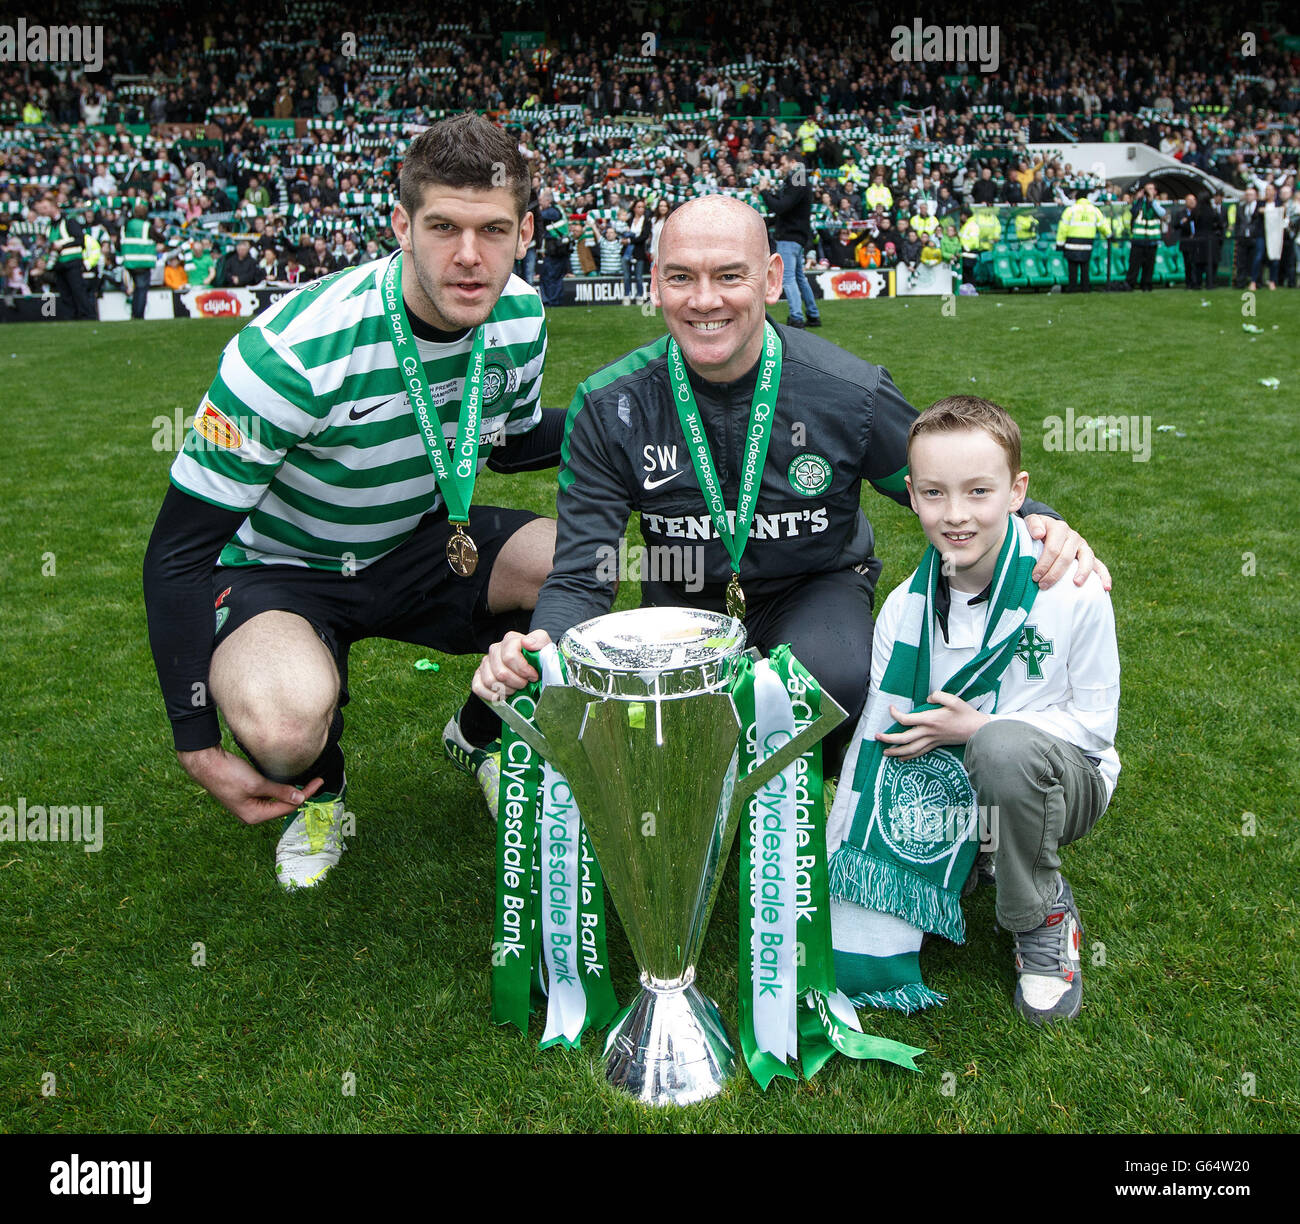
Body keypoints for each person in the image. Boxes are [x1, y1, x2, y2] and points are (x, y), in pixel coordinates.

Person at [472, 197, 1105, 772]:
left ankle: (811, 788)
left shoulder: (848, 392)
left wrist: (1037, 519)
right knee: (655, 736)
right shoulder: (611, 404)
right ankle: (479, 737)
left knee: (829, 680)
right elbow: (583, 570)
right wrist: (542, 643)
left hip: (816, 585)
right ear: (656, 283)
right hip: (685, 601)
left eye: (729, 276)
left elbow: (943, 482)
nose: (704, 300)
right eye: (681, 277)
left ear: (772, 279)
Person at [142, 113, 562, 892]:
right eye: (442, 227)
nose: (469, 257)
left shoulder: (521, 313)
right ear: (401, 224)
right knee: (281, 722)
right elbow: (177, 552)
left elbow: (508, 440)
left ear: (525, 230)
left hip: (421, 543)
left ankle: (480, 734)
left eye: (492, 230)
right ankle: (320, 793)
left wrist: (641, 428)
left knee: (584, 563)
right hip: (284, 568)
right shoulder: (290, 351)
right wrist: (196, 743)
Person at [827, 396, 1119, 1025]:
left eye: (978, 492)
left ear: (1018, 493)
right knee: (944, 747)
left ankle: (1040, 917)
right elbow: (880, 740)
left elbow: (1095, 730)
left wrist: (978, 728)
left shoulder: (1074, 589)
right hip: (949, 779)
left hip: (1066, 780)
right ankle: (970, 855)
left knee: (1002, 750)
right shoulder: (904, 608)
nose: (955, 516)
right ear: (910, 494)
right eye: (934, 494)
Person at [761, 150, 821, 328]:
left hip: (789, 236)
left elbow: (781, 207)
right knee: (799, 277)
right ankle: (813, 314)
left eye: (782, 163)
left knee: (787, 278)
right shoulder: (800, 179)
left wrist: (764, 192)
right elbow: (787, 209)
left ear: (792, 162)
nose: (781, 167)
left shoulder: (797, 178)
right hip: (798, 236)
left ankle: (796, 317)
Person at [32, 194, 95, 318]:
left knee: (78, 291)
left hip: (72, 262)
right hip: (59, 264)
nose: (43, 211)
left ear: (54, 207)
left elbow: (80, 239)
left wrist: (61, 244)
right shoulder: (50, 226)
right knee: (65, 293)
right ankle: (71, 317)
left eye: (45, 207)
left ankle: (87, 315)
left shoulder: (69, 221)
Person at [1055, 188, 1110, 293]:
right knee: (1085, 267)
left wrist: (1060, 244)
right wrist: (1109, 235)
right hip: (1087, 243)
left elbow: (1063, 228)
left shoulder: (1071, 210)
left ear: (1076, 198)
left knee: (1073, 268)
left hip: (1071, 242)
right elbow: (1103, 224)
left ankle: (1072, 288)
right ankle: (1085, 288)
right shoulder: (1094, 210)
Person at [1125, 183, 1165, 293]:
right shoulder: (1139, 203)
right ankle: (1130, 284)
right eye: (1147, 189)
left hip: (1152, 240)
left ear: (1155, 192)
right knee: (1134, 264)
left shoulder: (1156, 204)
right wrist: (1139, 199)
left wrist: (1152, 201)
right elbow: (1133, 212)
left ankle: (1146, 284)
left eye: (1151, 189)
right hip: (1138, 239)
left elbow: (1161, 213)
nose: (1149, 191)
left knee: (1149, 265)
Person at [120, 202, 157, 319]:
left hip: (129, 262)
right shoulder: (146, 226)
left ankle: (134, 313)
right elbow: (160, 238)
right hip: (143, 262)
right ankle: (138, 315)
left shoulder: (126, 225)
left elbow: (118, 243)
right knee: (141, 290)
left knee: (135, 289)